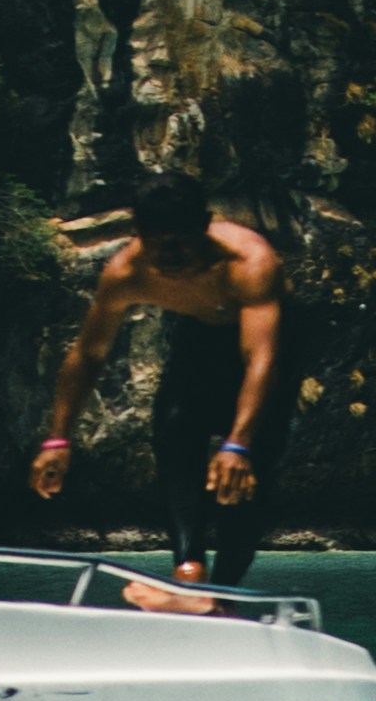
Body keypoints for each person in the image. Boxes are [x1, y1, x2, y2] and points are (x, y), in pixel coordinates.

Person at [35, 156, 293, 590]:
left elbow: (260, 358)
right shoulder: (125, 271)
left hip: (272, 350)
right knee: (173, 429)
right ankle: (187, 570)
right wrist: (58, 439)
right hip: (199, 337)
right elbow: (88, 354)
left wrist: (238, 443)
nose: (171, 258)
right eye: (159, 246)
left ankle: (225, 590)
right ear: (139, 234)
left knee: (247, 475)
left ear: (205, 225)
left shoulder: (249, 261)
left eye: (182, 244)